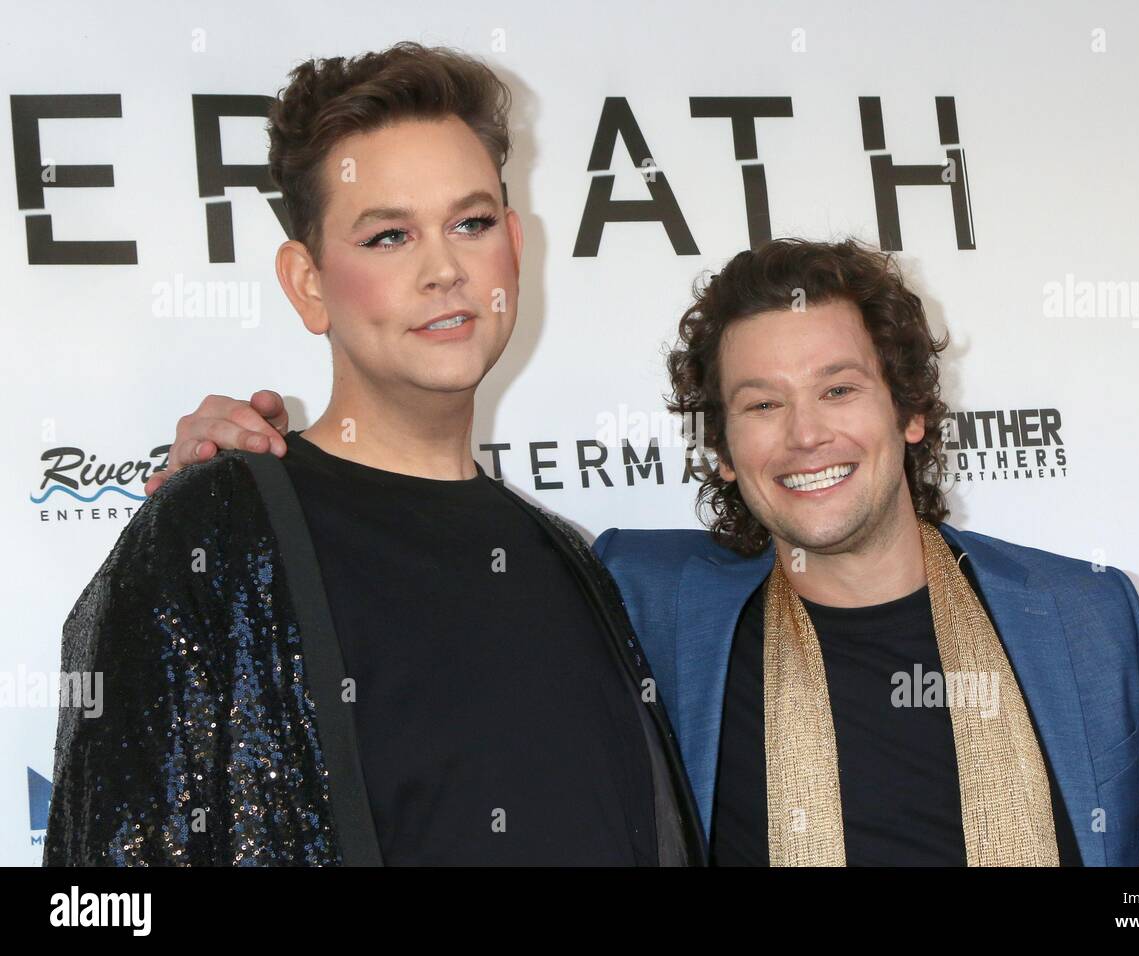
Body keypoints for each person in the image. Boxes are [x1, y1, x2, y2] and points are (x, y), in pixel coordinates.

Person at [164, 239, 1139, 867]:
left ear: (909, 410)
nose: (805, 434)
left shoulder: (1083, 615)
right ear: (724, 451)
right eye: (761, 404)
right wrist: (248, 486)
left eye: (838, 389)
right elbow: (413, 562)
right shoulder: (638, 597)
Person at [43, 41, 704, 867]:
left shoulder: (569, 561)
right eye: (390, 236)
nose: (445, 271)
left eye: (471, 223)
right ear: (308, 283)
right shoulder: (219, 531)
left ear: (516, 247)